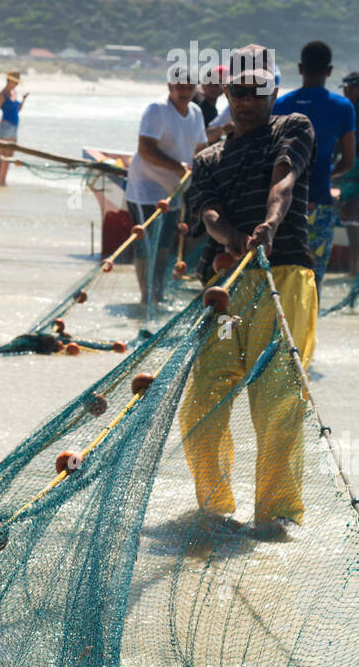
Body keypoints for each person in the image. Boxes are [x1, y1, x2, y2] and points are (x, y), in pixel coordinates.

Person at [179, 46, 318, 541]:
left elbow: (285, 179)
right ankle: (215, 509)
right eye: (239, 92)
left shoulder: (292, 127)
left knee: (278, 398)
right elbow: (209, 214)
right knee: (201, 402)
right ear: (227, 95)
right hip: (227, 287)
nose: (247, 101)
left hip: (284, 276)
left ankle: (276, 514)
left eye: (258, 92)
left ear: (273, 93)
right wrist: (230, 236)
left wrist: (269, 224)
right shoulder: (208, 158)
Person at [273, 41, 355, 288]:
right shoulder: (342, 107)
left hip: (282, 203)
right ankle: (308, 326)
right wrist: (329, 175)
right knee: (313, 275)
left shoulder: (281, 104)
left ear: (300, 68)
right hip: (319, 200)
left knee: (281, 274)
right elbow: (348, 160)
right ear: (329, 71)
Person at [124, 70, 207, 303]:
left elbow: (200, 149)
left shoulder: (196, 113)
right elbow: (145, 149)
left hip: (174, 191)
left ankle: (156, 292)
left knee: (163, 246)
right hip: (146, 188)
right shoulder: (157, 109)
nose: (184, 91)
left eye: (189, 87)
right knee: (146, 244)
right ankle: (146, 298)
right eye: (179, 86)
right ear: (170, 86)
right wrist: (177, 167)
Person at [333, 73, 359, 278]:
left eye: (350, 89)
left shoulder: (347, 111)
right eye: (345, 89)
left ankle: (352, 274)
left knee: (353, 230)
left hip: (352, 176)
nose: (346, 93)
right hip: (348, 175)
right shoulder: (344, 110)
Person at [0, 72, 28, 187]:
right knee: (2, 156)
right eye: (15, 82)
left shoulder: (14, 93)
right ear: (9, 81)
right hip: (5, 127)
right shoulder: (2, 95)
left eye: (17, 83)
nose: (16, 85)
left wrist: (24, 100)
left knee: (9, 157)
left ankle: (3, 181)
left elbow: (17, 110)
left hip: (14, 127)